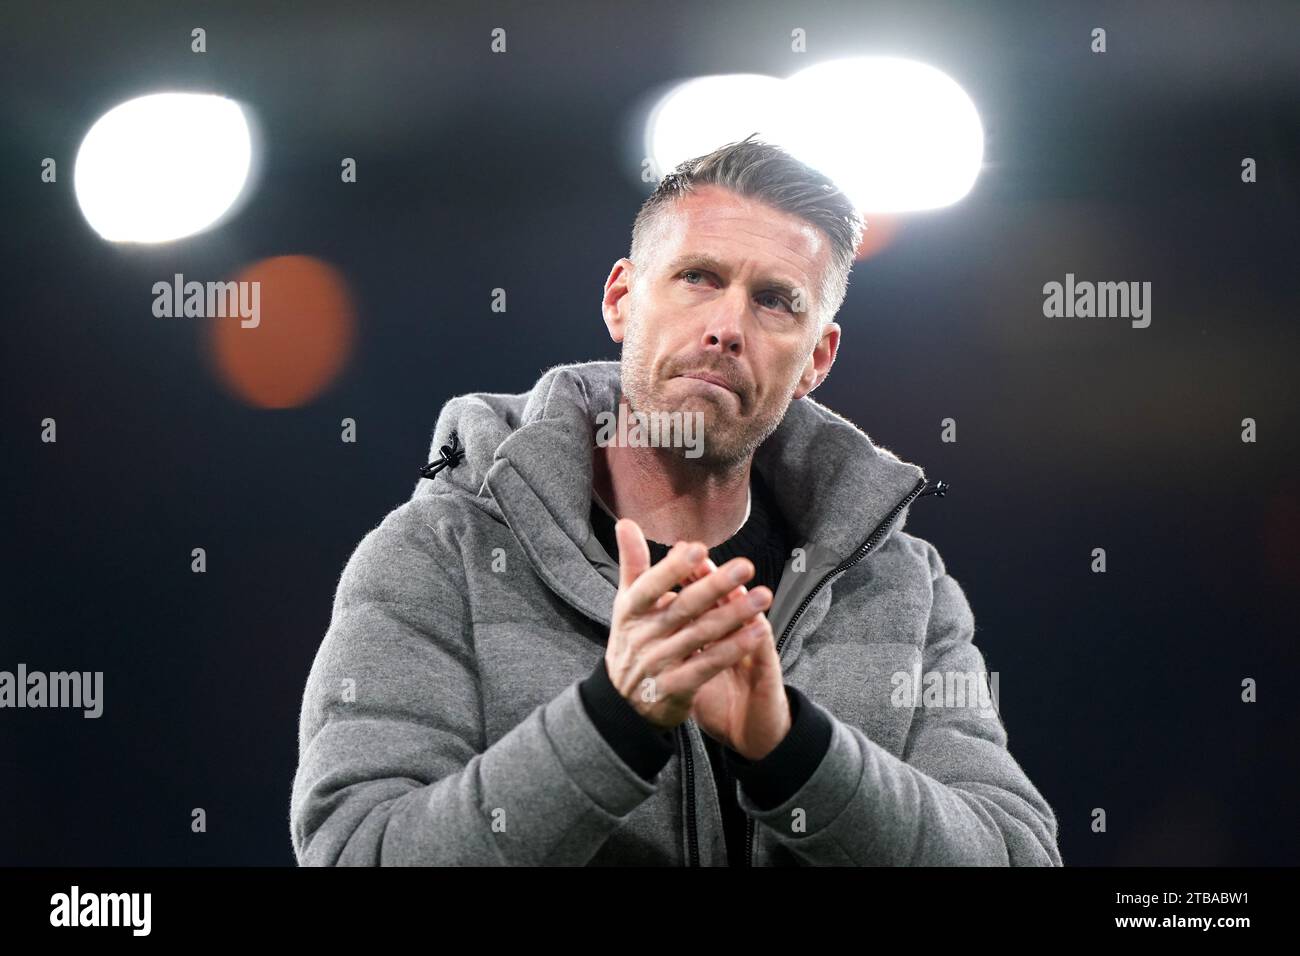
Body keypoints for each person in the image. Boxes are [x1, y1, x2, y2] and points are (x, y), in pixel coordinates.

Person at [289, 135, 1062, 866]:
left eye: (775, 301)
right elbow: (358, 851)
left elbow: (1016, 853)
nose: (727, 326)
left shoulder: (901, 590)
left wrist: (794, 751)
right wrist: (612, 722)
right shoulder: (438, 557)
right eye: (699, 278)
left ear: (817, 358)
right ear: (622, 299)